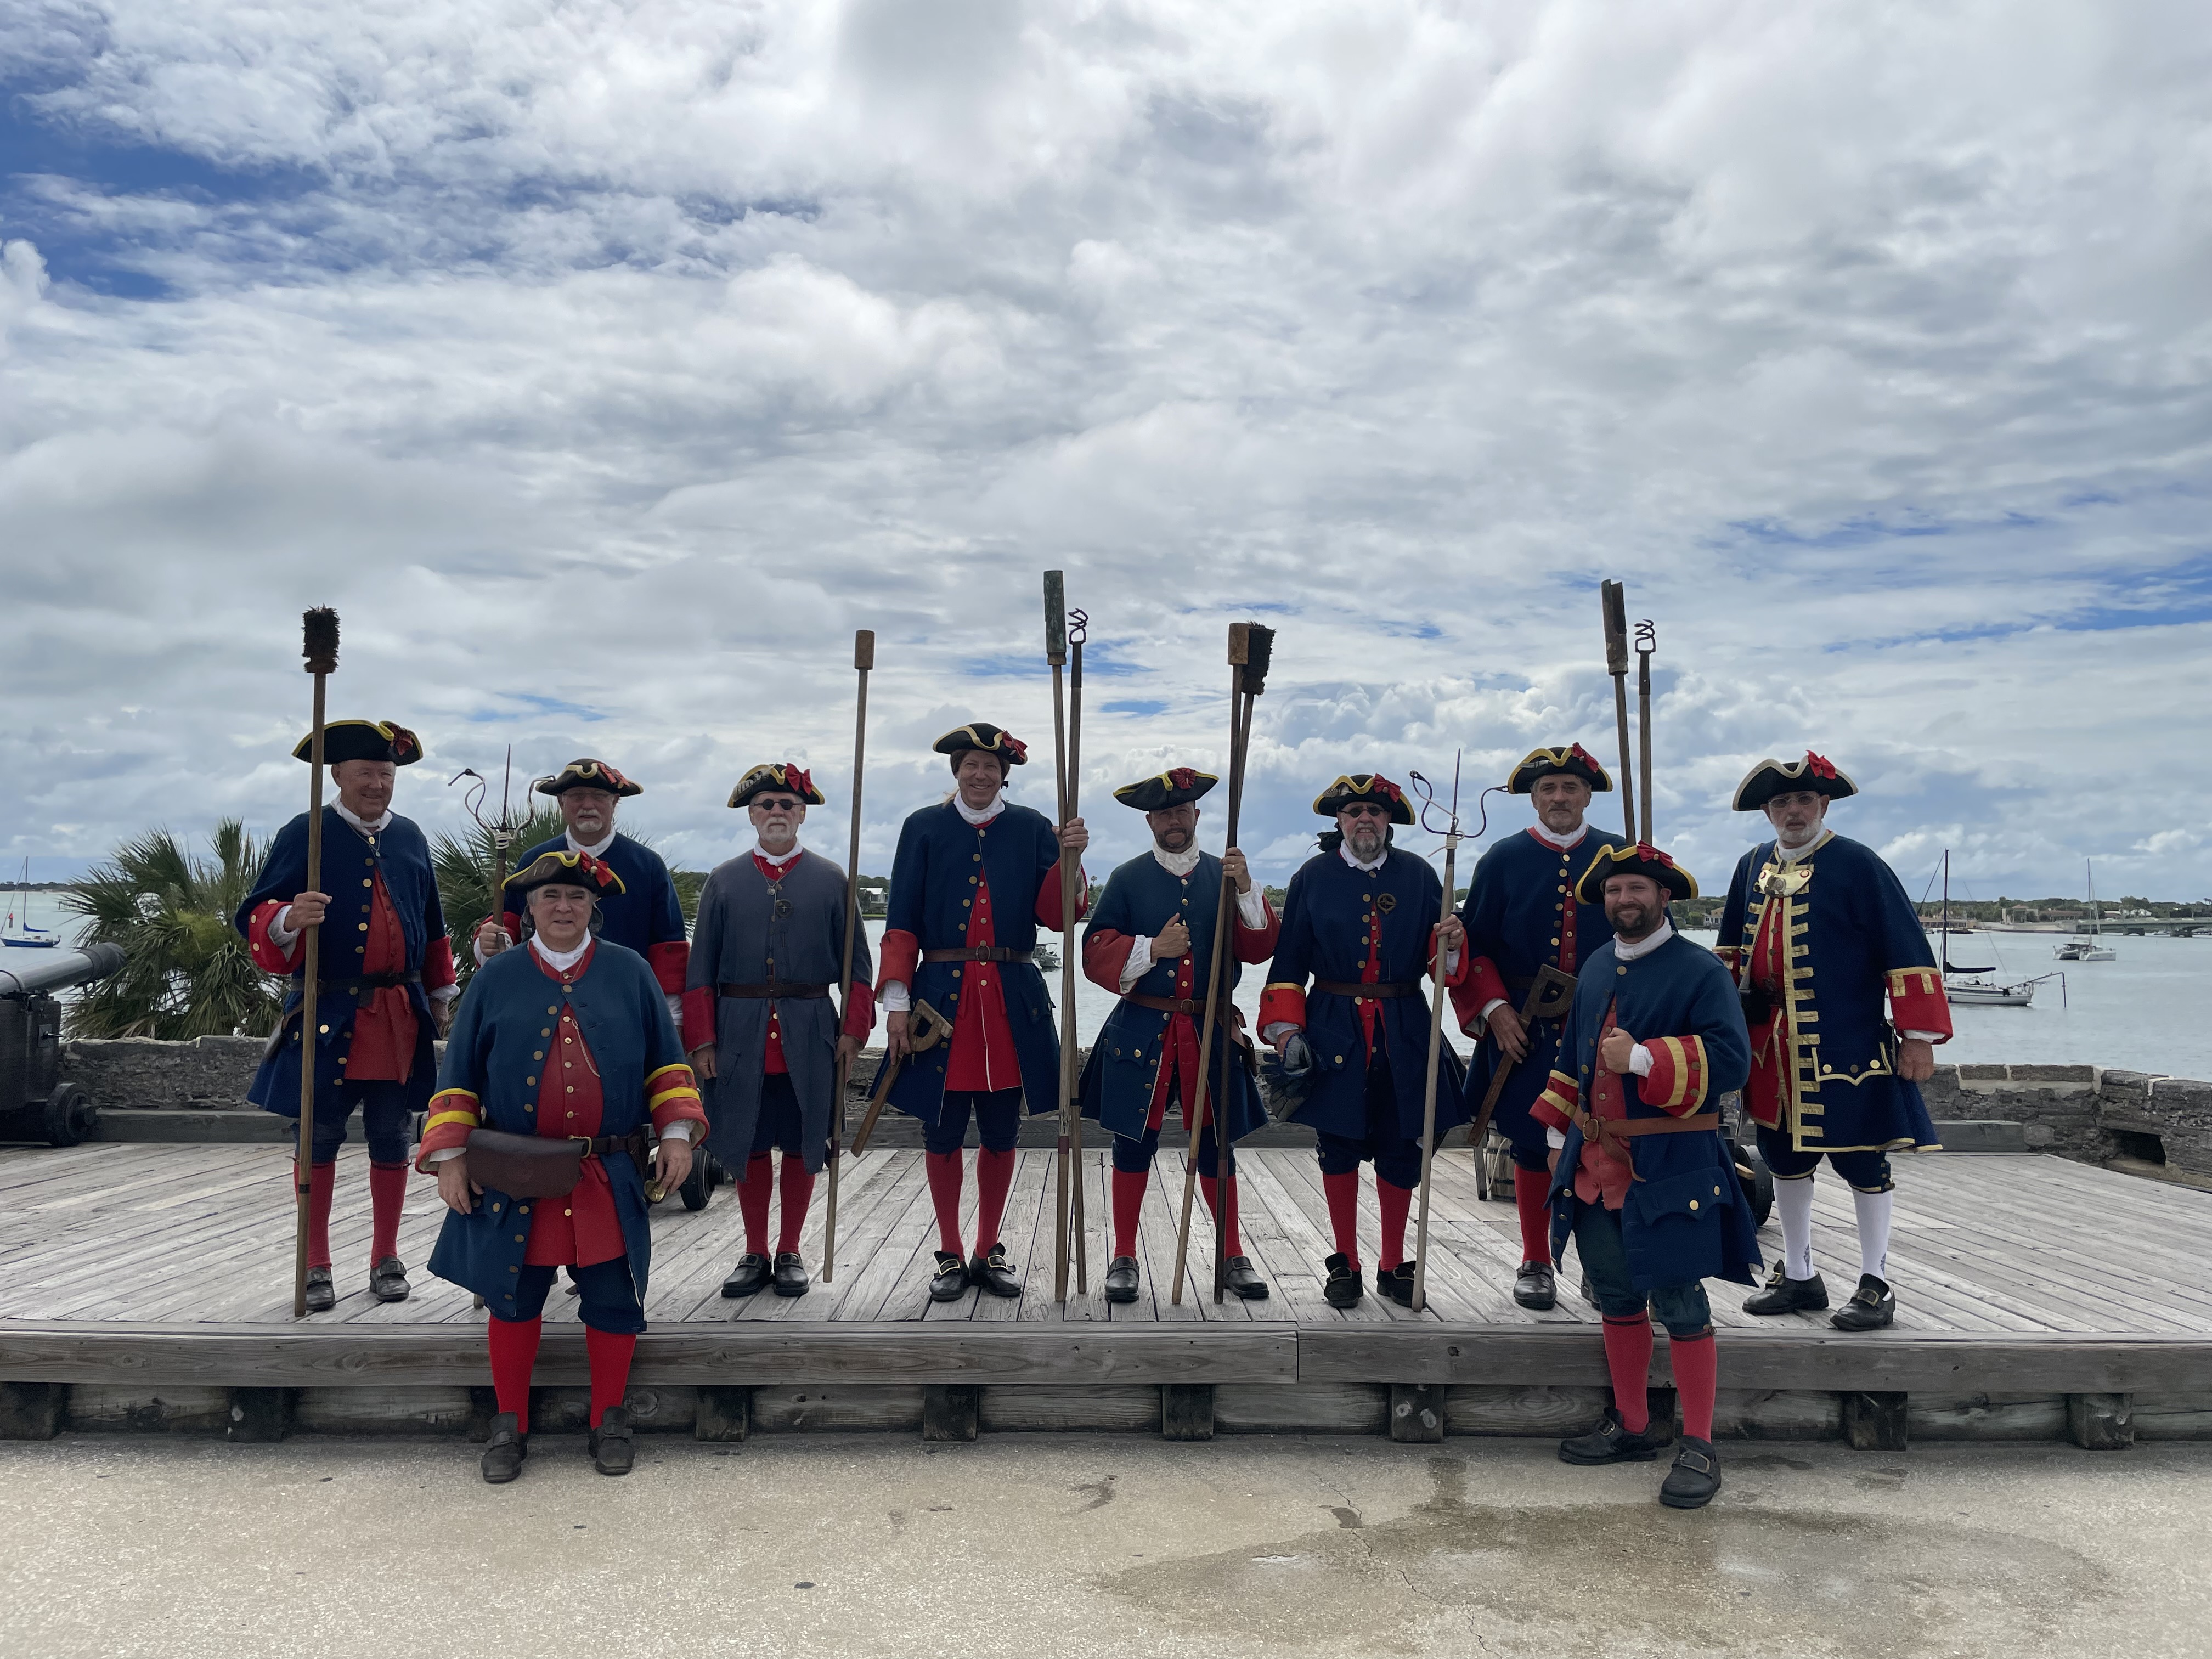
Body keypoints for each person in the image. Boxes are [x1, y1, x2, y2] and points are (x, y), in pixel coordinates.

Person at [416, 850, 708, 1483]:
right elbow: (458, 1073)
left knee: (611, 1298)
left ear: (592, 908)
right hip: (514, 1173)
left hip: (607, 1171)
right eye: (550, 898)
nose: (564, 908)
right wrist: (449, 1158)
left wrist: (678, 1135)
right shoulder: (496, 978)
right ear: (529, 911)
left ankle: (611, 1419)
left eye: (576, 898)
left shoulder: (630, 972)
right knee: (513, 1298)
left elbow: (668, 1064)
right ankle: (508, 1425)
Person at [1534, 843, 1754, 1510]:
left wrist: (1643, 1060)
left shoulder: (1700, 971)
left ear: (1664, 898)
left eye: (1636, 890)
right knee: (1616, 1296)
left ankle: (1699, 1444)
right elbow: (1574, 1053)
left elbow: (1732, 1062)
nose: (1624, 901)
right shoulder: (1598, 963)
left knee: (1683, 1304)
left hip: (1670, 1167)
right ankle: (1632, 1424)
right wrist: (1555, 1130)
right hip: (1596, 1162)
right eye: (1615, 891)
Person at [1717, 753, 1952, 1333]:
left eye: (1802, 802)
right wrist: (1719, 1018)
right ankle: (1799, 1273)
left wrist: (1918, 1037)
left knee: (1862, 1163)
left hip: (1845, 1045)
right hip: (1770, 1050)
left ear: (1822, 806)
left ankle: (1876, 1282)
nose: (1792, 812)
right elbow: (1729, 952)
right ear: (1768, 812)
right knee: (1786, 1161)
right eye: (1780, 804)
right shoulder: (1752, 865)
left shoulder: (1856, 864)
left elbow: (1906, 948)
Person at [236, 719, 457, 1312]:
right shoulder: (305, 832)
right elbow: (254, 913)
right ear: (338, 775)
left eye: (385, 775)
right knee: (320, 1139)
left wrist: (439, 995)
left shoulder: (410, 836)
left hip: (399, 1016)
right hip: (327, 1009)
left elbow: (431, 923)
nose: (378, 785)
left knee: (391, 1136)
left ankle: (386, 1256)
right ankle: (315, 1263)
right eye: (366, 775)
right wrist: (288, 917)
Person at [872, 723, 1087, 1302]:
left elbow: (1059, 918)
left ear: (1004, 774)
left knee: (1001, 1129)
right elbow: (900, 918)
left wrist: (1070, 860)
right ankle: (949, 1252)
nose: (979, 774)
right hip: (939, 1001)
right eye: (969, 764)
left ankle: (989, 1248)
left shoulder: (1034, 827)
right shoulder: (922, 826)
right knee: (939, 1132)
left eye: (989, 766)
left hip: (1011, 1000)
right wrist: (895, 1004)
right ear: (956, 771)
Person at [1258, 774, 1468, 1309]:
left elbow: (1439, 967)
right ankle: (1345, 1263)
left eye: (1375, 812)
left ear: (1389, 820)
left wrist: (1450, 946)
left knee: (1403, 1149)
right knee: (1339, 1149)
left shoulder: (1421, 876)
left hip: (1405, 1026)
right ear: (1340, 821)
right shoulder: (1312, 877)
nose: (1364, 820)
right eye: (1354, 812)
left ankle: (1393, 1263)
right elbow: (1288, 965)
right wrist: (1286, 1031)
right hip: (1333, 1027)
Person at [1079, 767, 1280, 1304]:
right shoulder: (1126, 878)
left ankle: (1232, 1254)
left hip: (1208, 1026)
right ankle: (1124, 1255)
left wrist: (1245, 889)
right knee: (1132, 1143)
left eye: (1182, 810)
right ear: (1150, 820)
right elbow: (1095, 950)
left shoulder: (1226, 875)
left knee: (1217, 1146)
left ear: (1197, 815)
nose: (1174, 819)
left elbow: (1259, 949)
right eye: (1164, 812)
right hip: (1142, 1026)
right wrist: (1151, 950)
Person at [687, 763, 874, 1300]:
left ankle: (790, 1249)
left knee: (800, 1145)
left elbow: (857, 970)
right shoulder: (723, 881)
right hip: (738, 1036)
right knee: (745, 1146)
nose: (777, 813)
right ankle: (755, 1251)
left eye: (787, 806)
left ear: (803, 815)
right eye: (766, 805)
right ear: (751, 815)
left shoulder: (833, 880)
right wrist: (702, 1040)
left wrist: (854, 1033)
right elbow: (701, 970)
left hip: (810, 1034)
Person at [1450, 743, 1627, 1309]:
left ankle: (1604, 1268)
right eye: (1548, 789)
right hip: (1526, 1029)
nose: (1559, 798)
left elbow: (1651, 941)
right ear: (1533, 798)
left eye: (1570, 788)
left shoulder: (1620, 856)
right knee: (1531, 1146)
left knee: (1608, 1145)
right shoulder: (1502, 859)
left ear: (1587, 796)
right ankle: (1536, 1259)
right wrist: (1496, 1010)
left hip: (1608, 1026)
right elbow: (1474, 950)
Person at [475, 757, 710, 1054]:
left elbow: (668, 946)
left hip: (626, 1010)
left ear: (615, 803)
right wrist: (492, 939)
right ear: (561, 803)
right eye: (576, 797)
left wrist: (671, 1019)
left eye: (599, 797)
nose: (588, 805)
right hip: (540, 1009)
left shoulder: (647, 866)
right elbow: (509, 922)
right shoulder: (533, 862)